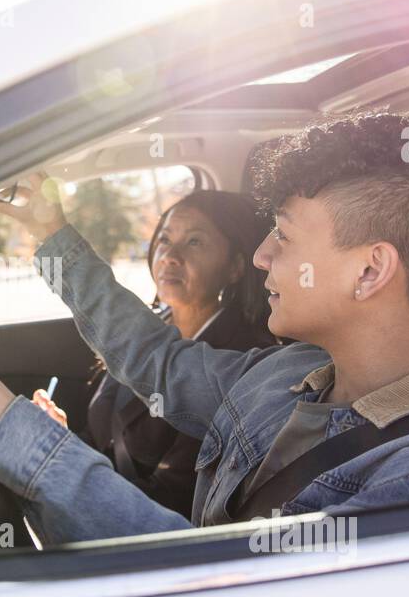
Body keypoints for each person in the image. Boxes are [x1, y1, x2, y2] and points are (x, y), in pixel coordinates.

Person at [0, 112, 409, 545]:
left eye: (281, 237)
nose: (260, 258)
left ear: (370, 272)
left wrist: (12, 437)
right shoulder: (292, 373)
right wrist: (52, 235)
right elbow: (158, 360)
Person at [30, 190, 276, 518]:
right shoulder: (149, 324)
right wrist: (62, 439)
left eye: (194, 242)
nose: (170, 256)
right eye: (163, 240)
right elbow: (101, 437)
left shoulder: (238, 360)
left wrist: (57, 463)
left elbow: (170, 502)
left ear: (234, 267)